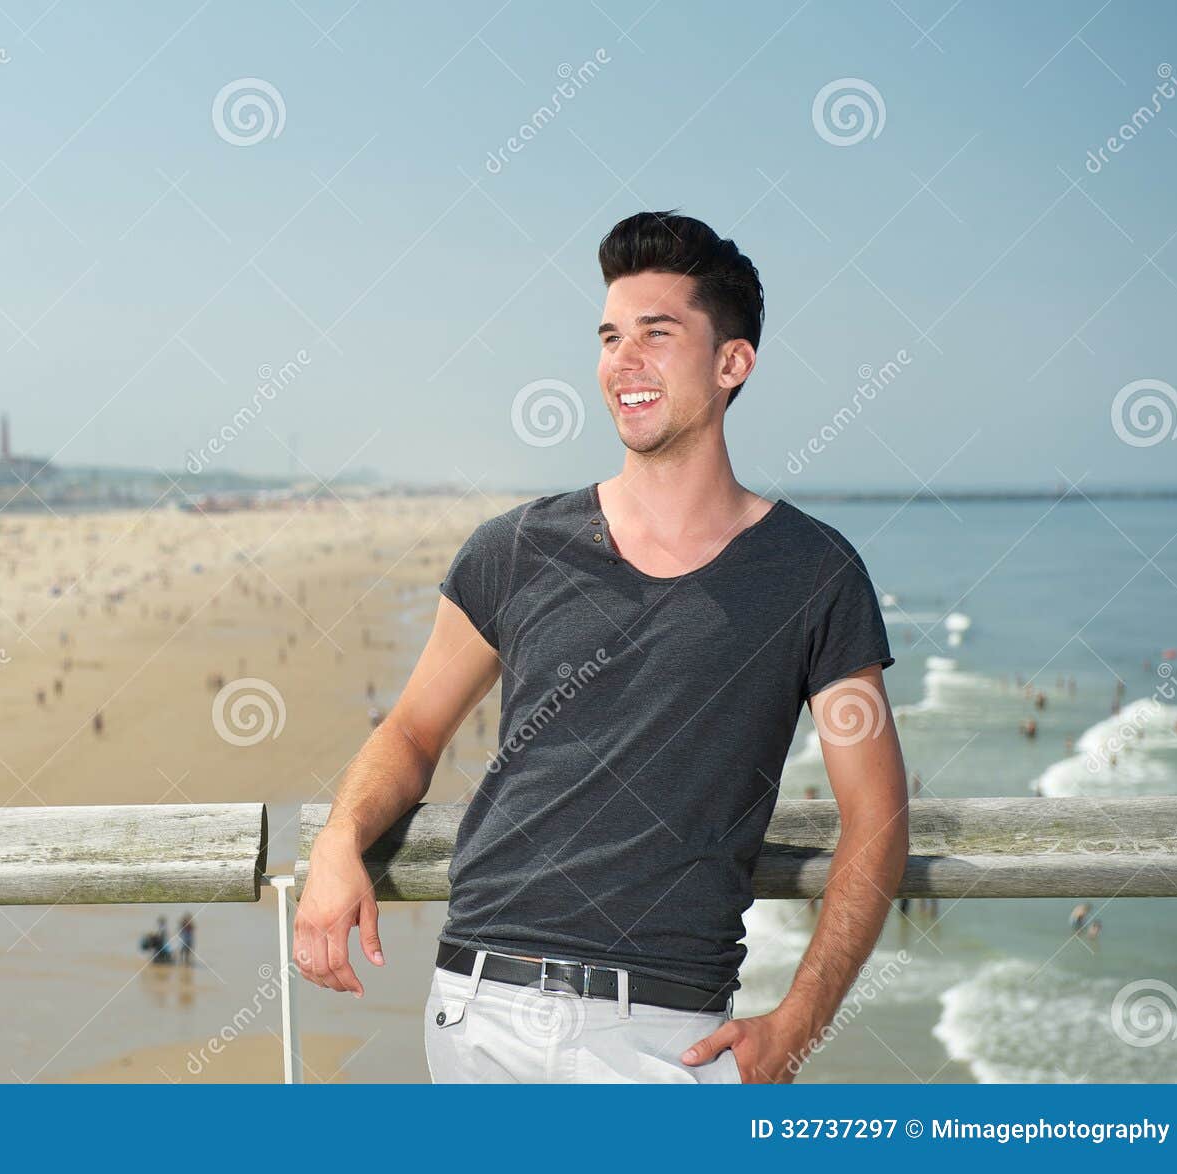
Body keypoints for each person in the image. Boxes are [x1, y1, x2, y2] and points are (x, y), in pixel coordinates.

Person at [294, 210, 907, 1086]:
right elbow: (412, 733)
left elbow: (877, 816)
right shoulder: (512, 550)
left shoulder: (814, 574)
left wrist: (799, 1023)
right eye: (611, 336)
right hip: (478, 1012)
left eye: (658, 335)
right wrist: (337, 841)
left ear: (732, 363)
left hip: (666, 1037)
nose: (624, 361)